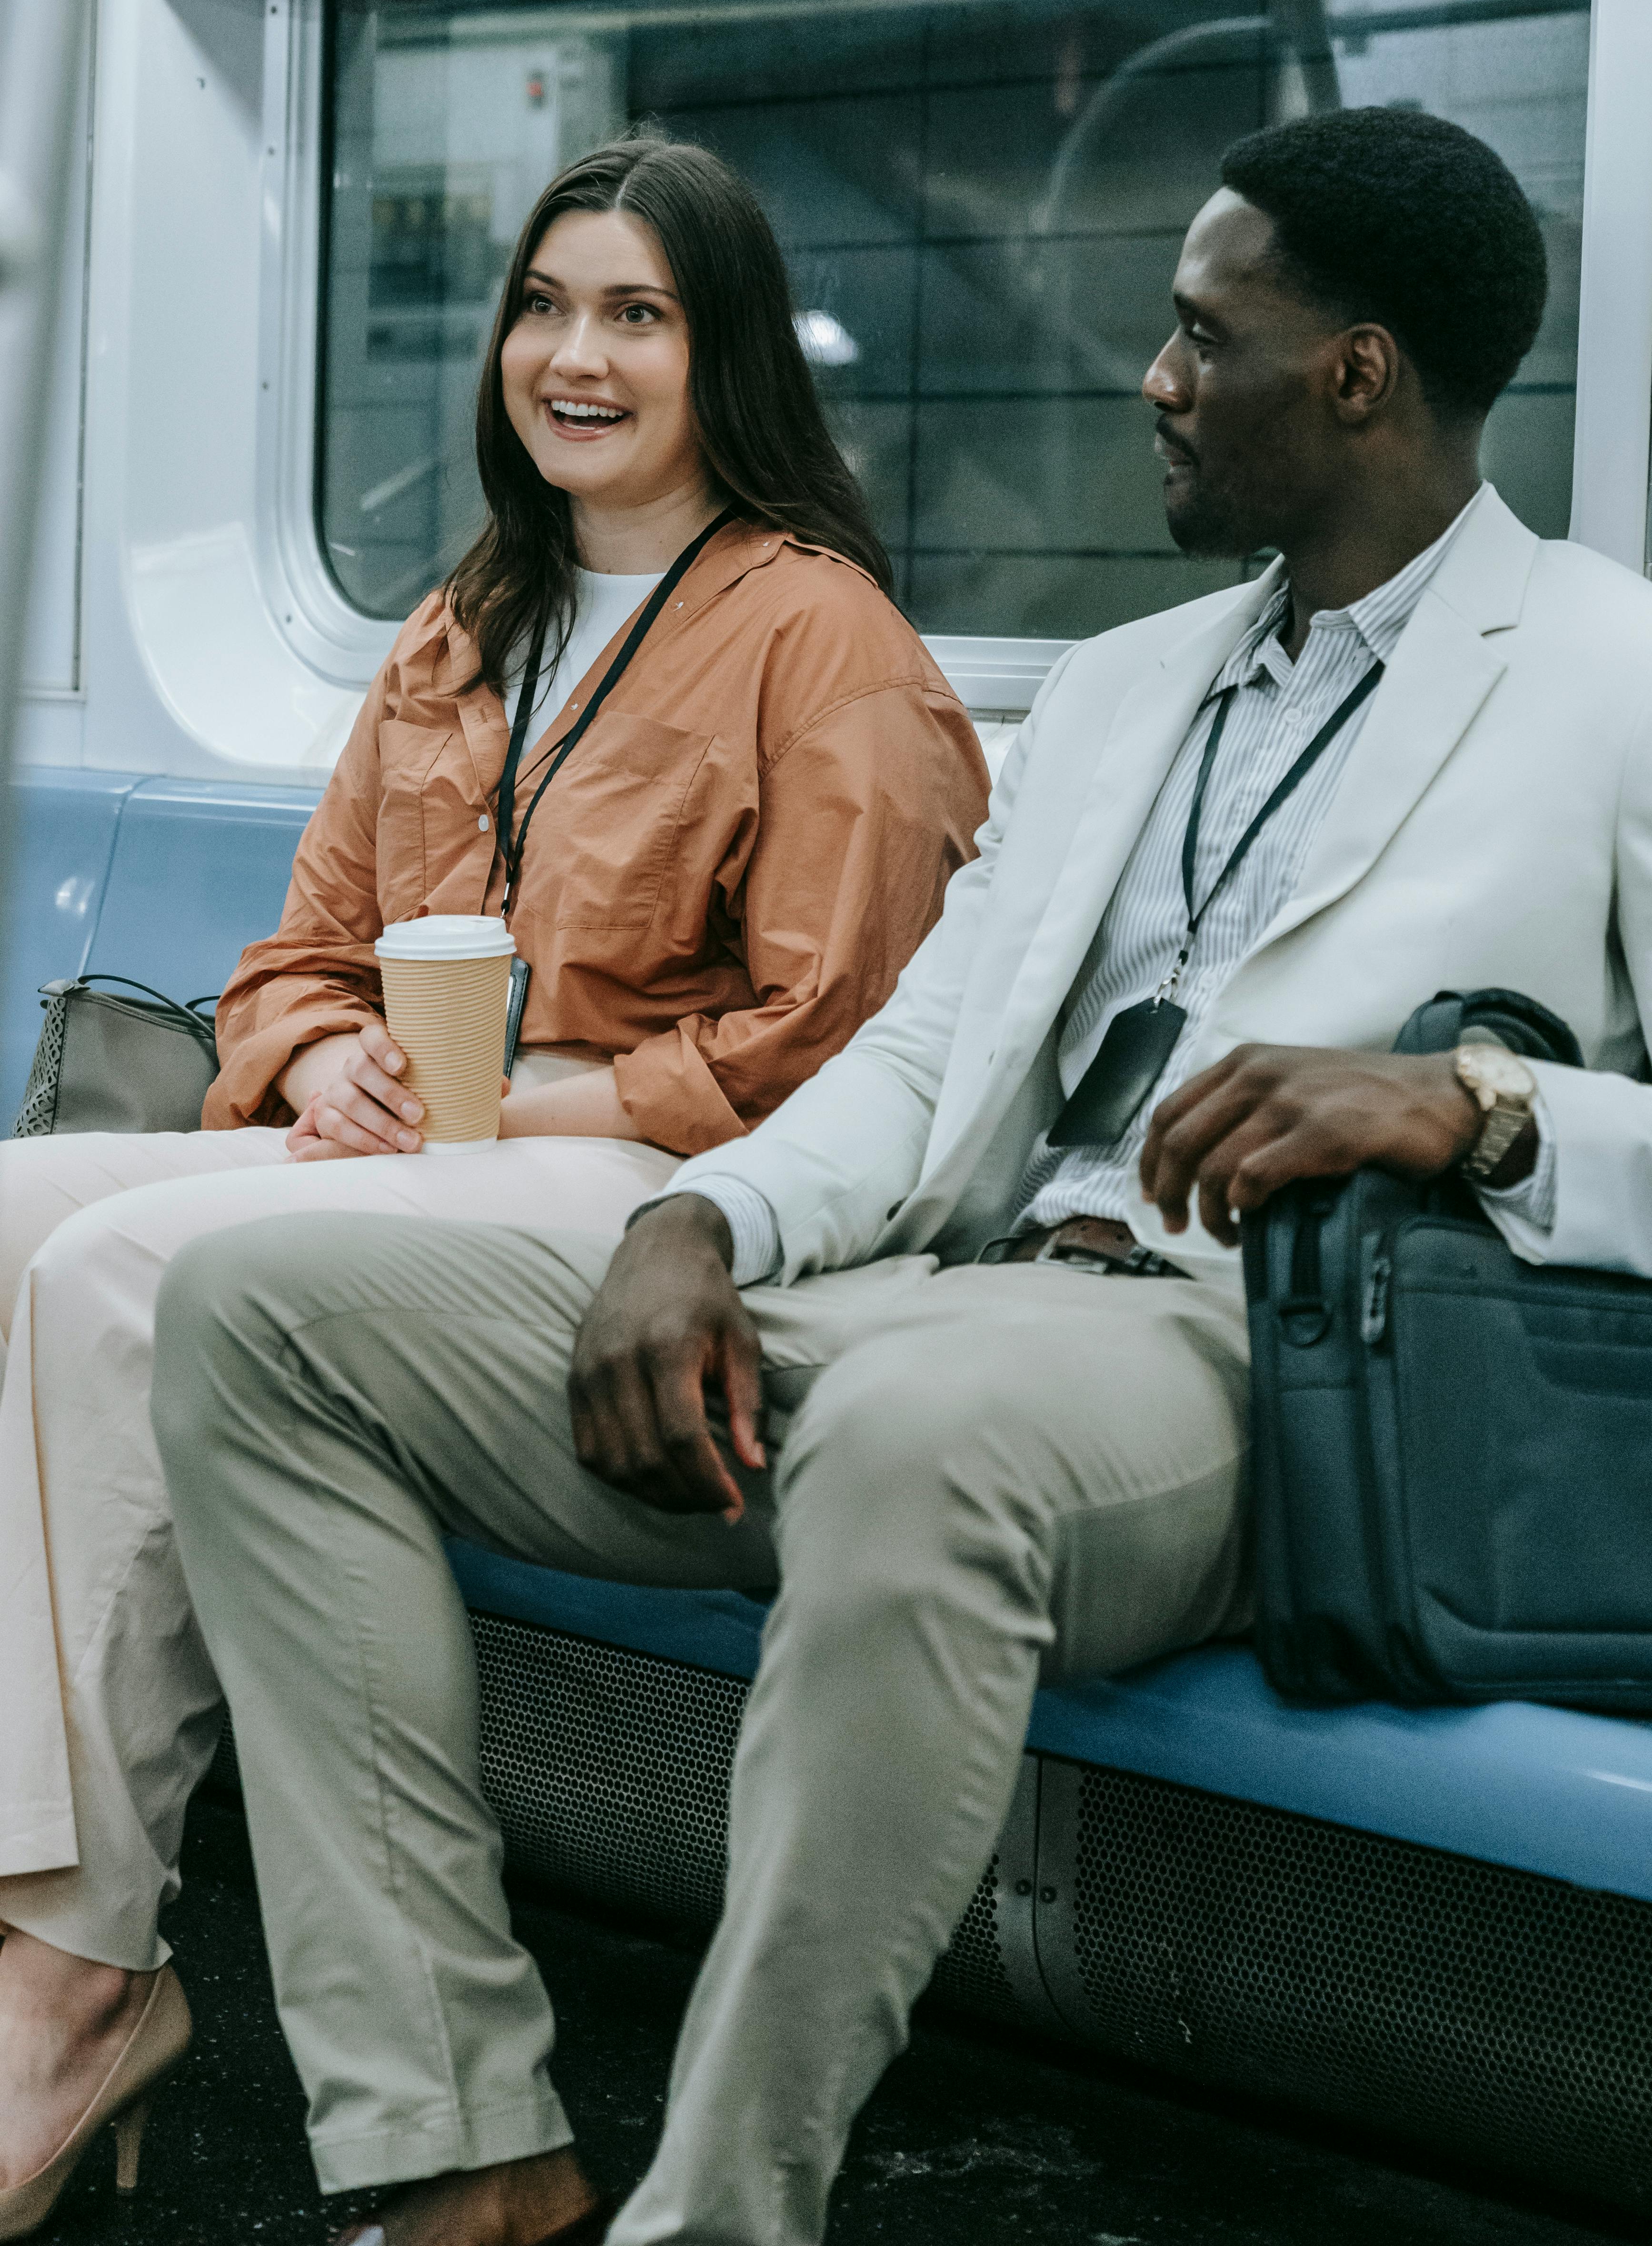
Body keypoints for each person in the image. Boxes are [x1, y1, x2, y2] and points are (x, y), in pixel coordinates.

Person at [152, 107, 1652, 2246]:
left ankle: (722, 2212)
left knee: (911, 1435)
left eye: (1197, 336)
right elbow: (921, 1064)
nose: (1150, 382)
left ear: (1352, 374)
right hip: (937, 1297)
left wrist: (1467, 1108)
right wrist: (704, 1220)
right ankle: (451, 2146)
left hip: (1250, 1361)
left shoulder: (1635, 682)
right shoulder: (1125, 688)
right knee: (263, 1312)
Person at [0, 131, 988, 2237]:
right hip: (426, 1144)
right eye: (546, 307)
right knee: (9, 1211)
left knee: (118, 1280)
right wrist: (321, 1048)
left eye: (635, 312)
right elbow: (289, 957)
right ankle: (16, 1903)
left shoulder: (828, 646)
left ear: (723, 356)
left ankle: (80, 1977)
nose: (575, 354)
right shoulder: (463, 627)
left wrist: (533, 1098)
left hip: (635, 1188)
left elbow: (849, 1046)